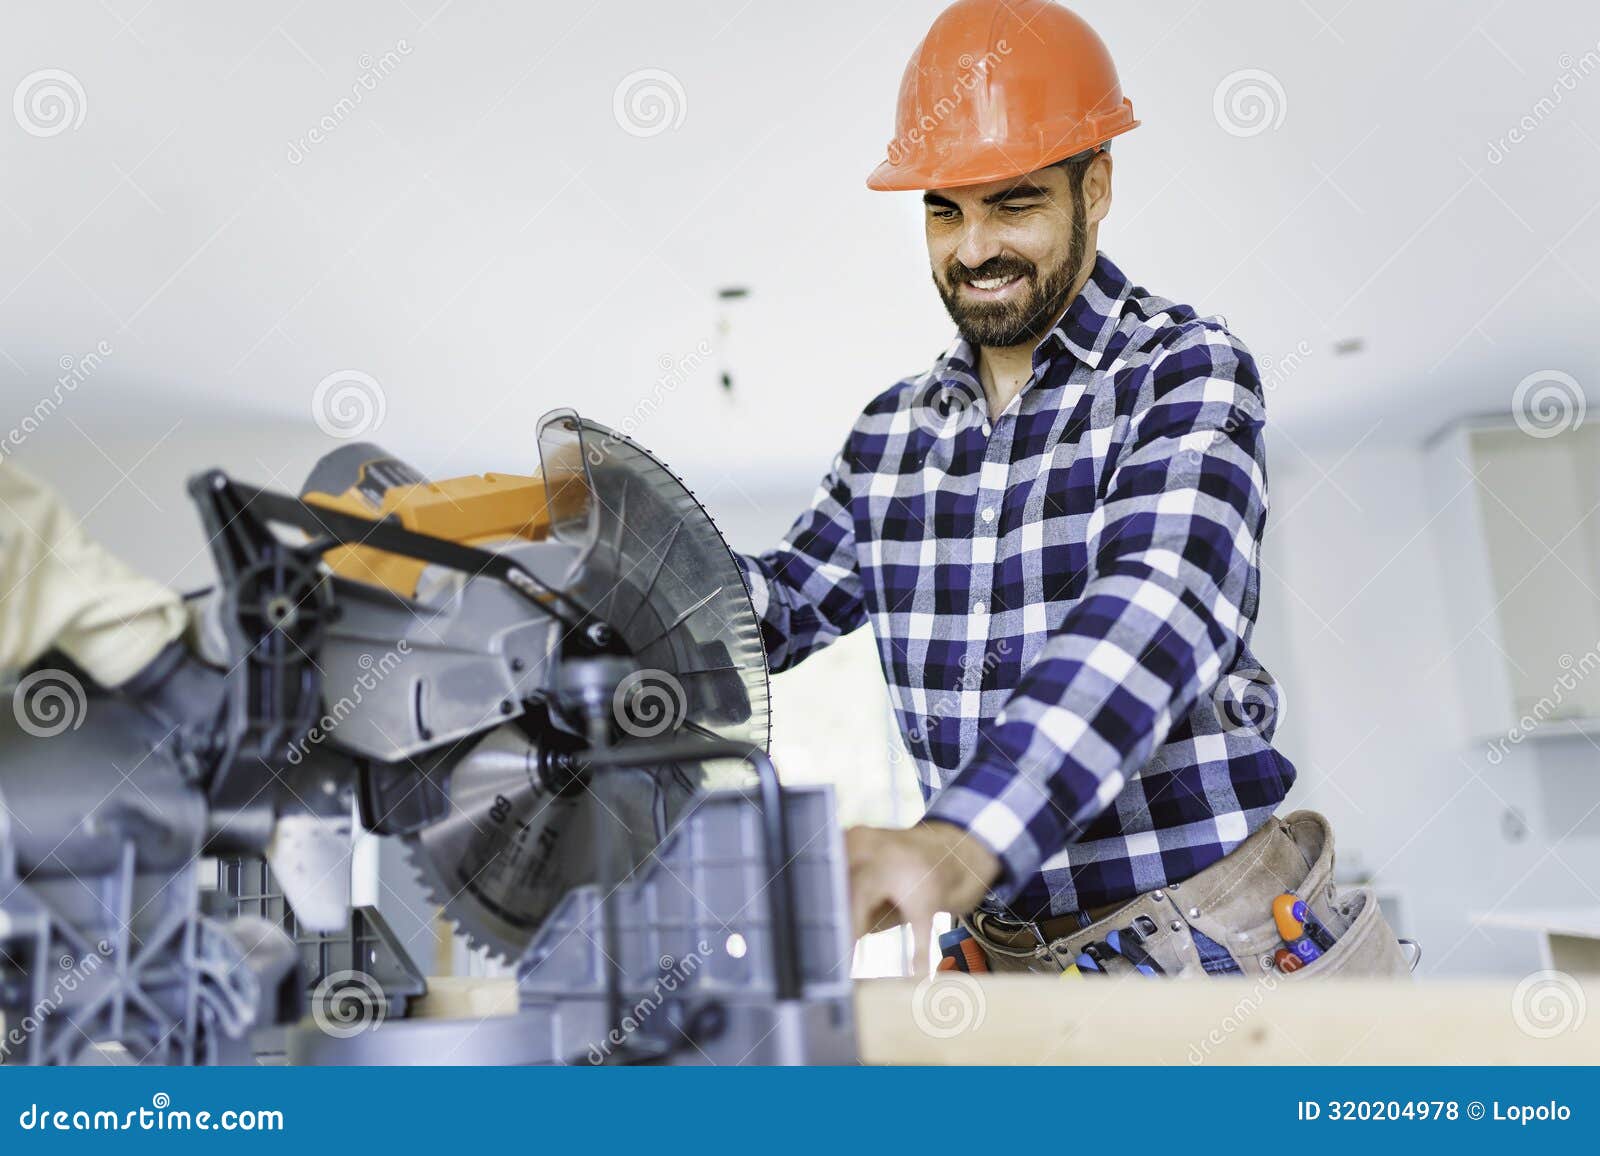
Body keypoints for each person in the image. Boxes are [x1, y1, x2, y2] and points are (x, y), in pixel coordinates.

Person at [736, 0, 1409, 978]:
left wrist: (955, 842)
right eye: (942, 208)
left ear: (1094, 184)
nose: (971, 250)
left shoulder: (1182, 371)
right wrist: (599, 583)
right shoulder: (891, 435)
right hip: (1002, 965)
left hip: (1208, 947)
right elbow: (766, 607)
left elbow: (1155, 614)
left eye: (1012, 203)